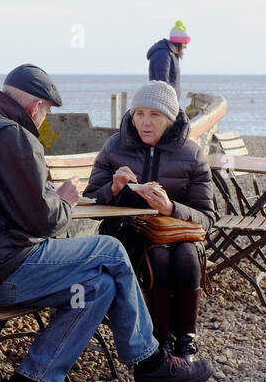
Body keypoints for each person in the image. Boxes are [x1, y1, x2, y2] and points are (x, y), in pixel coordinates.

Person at [0, 64, 212, 382]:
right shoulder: (13, 135)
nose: (44, 120)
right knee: (109, 249)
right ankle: (151, 362)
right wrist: (64, 199)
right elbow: (43, 221)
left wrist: (46, 196)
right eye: (47, 113)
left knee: (99, 286)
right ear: (37, 107)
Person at [86, 81, 215, 362]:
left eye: (155, 115)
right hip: (127, 234)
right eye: (139, 114)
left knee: (185, 256)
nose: (145, 122)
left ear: (169, 119)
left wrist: (170, 207)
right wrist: (115, 188)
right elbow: (91, 202)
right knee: (157, 257)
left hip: (176, 234)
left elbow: (207, 218)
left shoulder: (191, 153)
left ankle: (186, 341)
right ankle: (161, 342)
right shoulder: (115, 146)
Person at [146, 20, 190, 96]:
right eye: (185, 43)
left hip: (168, 101)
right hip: (163, 102)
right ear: (180, 43)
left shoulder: (171, 53)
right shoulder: (163, 54)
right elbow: (162, 83)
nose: (186, 47)